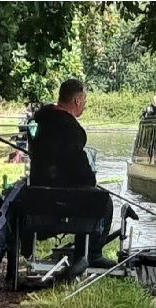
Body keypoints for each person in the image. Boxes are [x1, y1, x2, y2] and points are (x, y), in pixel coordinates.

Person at [30, 78, 115, 268]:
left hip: (35, 194)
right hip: (59, 199)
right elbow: (80, 171)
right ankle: (91, 254)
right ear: (77, 101)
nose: (84, 105)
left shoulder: (39, 117)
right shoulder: (72, 129)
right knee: (103, 201)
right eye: (84, 101)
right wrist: (91, 178)